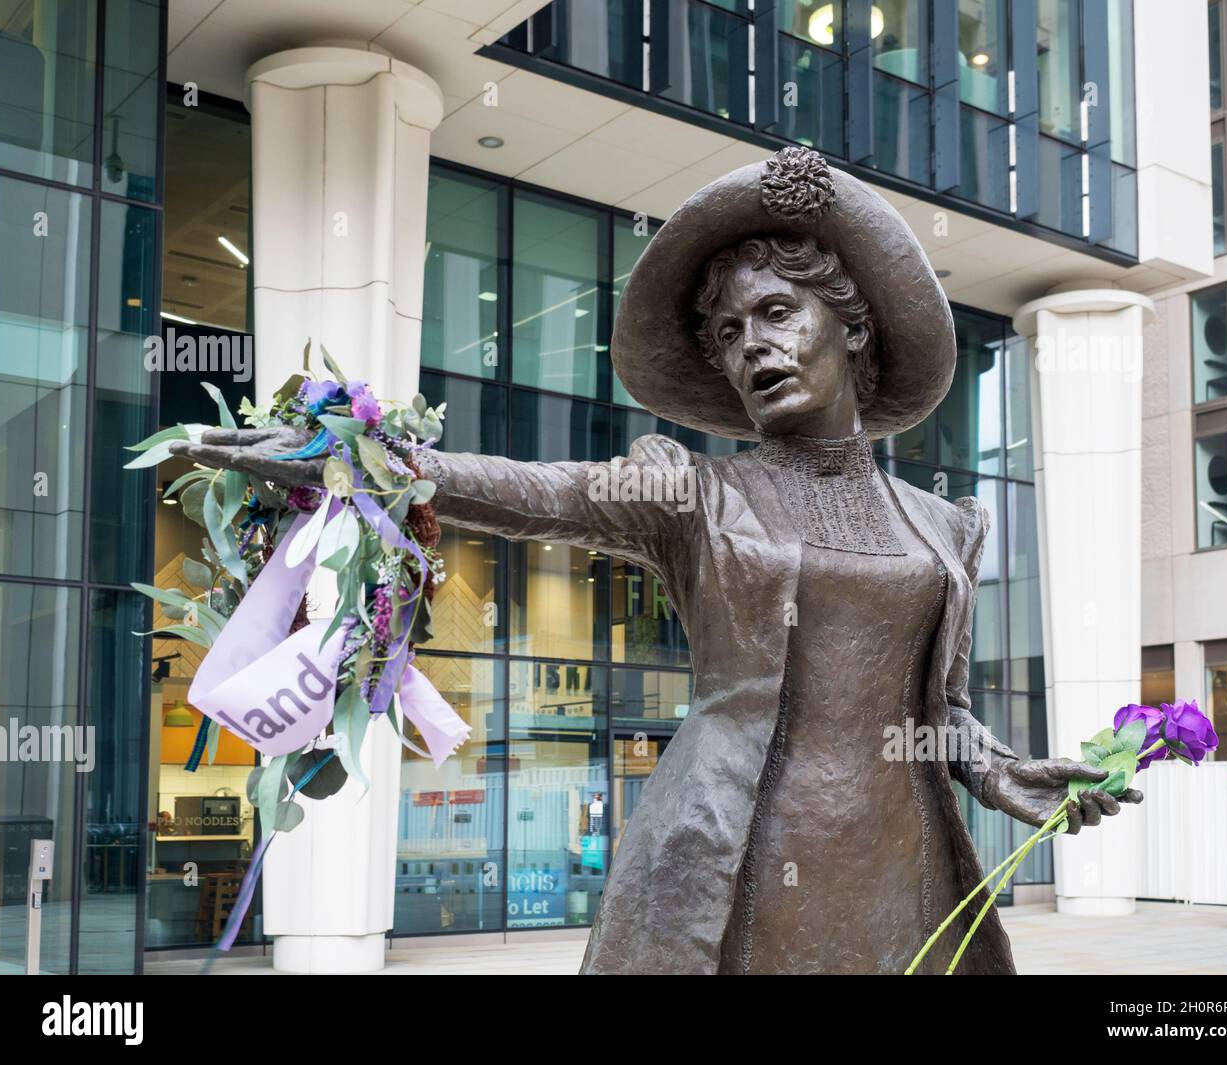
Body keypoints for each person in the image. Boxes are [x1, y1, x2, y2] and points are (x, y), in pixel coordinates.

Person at [176, 147, 1140, 974]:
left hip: (906, 870)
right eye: (727, 335)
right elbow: (532, 491)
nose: (749, 348)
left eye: (775, 313)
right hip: (738, 860)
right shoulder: (697, 496)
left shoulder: (946, 526)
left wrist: (1000, 769)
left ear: (852, 326)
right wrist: (363, 457)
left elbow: (937, 712)